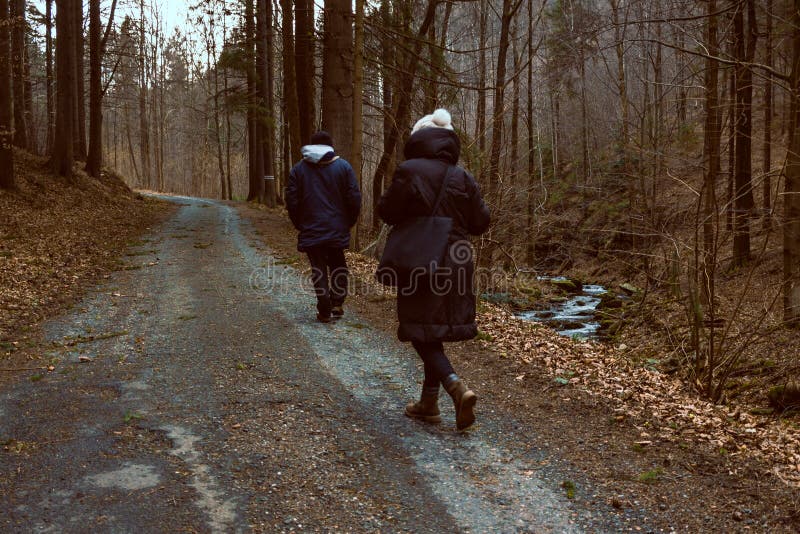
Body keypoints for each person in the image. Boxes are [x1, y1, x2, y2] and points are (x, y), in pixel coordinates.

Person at [378, 109, 490, 430]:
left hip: (419, 261)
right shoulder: (463, 176)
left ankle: (455, 387)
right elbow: (481, 222)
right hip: (456, 261)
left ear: (419, 137)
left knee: (418, 328)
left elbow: (387, 211)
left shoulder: (409, 170)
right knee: (433, 328)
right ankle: (428, 403)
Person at [286, 131, 362, 323]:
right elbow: (354, 199)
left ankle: (325, 307)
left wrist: (300, 224)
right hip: (337, 227)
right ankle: (336, 303)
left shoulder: (298, 170)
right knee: (338, 265)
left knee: (318, 268)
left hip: (311, 227)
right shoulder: (343, 167)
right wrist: (349, 222)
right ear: (330, 146)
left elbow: (292, 202)